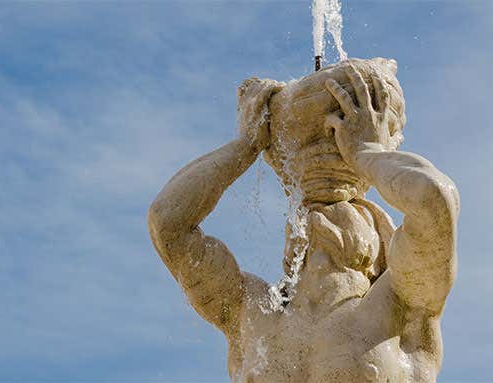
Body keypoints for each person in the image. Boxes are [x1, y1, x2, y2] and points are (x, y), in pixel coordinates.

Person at [147, 58, 459, 382]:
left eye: (344, 211)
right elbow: (167, 223)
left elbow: (433, 201)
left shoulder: (402, 305)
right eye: (308, 218)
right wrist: (246, 145)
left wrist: (368, 153)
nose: (317, 220)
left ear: (374, 232)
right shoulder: (255, 317)